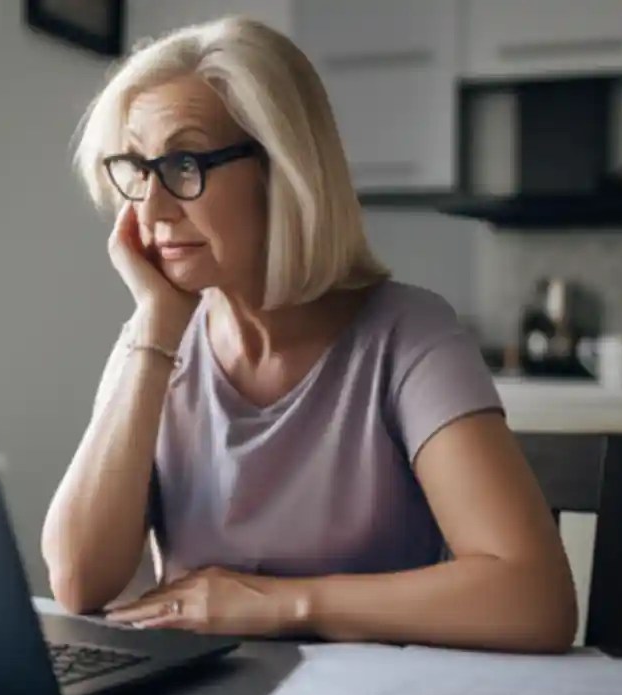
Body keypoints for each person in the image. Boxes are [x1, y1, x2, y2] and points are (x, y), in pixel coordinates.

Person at [41, 17, 576, 652]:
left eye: (184, 163)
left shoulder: (409, 334)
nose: (151, 209)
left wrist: (281, 604)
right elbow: (78, 581)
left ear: (284, 171)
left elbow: (535, 599)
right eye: (138, 167)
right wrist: (154, 324)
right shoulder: (156, 340)